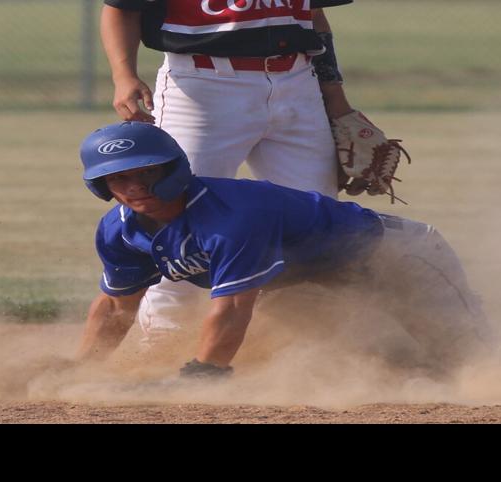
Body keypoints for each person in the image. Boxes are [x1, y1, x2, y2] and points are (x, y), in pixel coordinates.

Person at [100, 0, 406, 353]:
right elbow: (121, 8)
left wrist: (335, 100)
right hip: (202, 87)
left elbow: (314, 16)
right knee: (178, 219)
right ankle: (161, 346)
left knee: (314, 225)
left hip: (298, 83)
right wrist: (123, 76)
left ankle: (298, 351)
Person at [73, 123, 489, 377]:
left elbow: (234, 307)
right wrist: (84, 370)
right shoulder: (119, 230)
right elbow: (114, 307)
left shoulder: (231, 215)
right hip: (309, 282)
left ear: (173, 167)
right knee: (374, 361)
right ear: (100, 185)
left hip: (393, 257)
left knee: (468, 358)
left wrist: (203, 374)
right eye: (117, 178)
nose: (132, 186)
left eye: (145, 172)